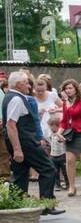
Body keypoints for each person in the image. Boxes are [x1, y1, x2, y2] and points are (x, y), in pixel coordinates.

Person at [3, 71, 64, 213]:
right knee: (48, 169)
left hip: (21, 140)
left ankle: (16, 204)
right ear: (18, 84)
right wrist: (17, 149)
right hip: (25, 142)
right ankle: (46, 205)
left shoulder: (11, 97)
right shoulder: (16, 99)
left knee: (21, 173)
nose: (29, 85)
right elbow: (11, 125)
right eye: (26, 82)